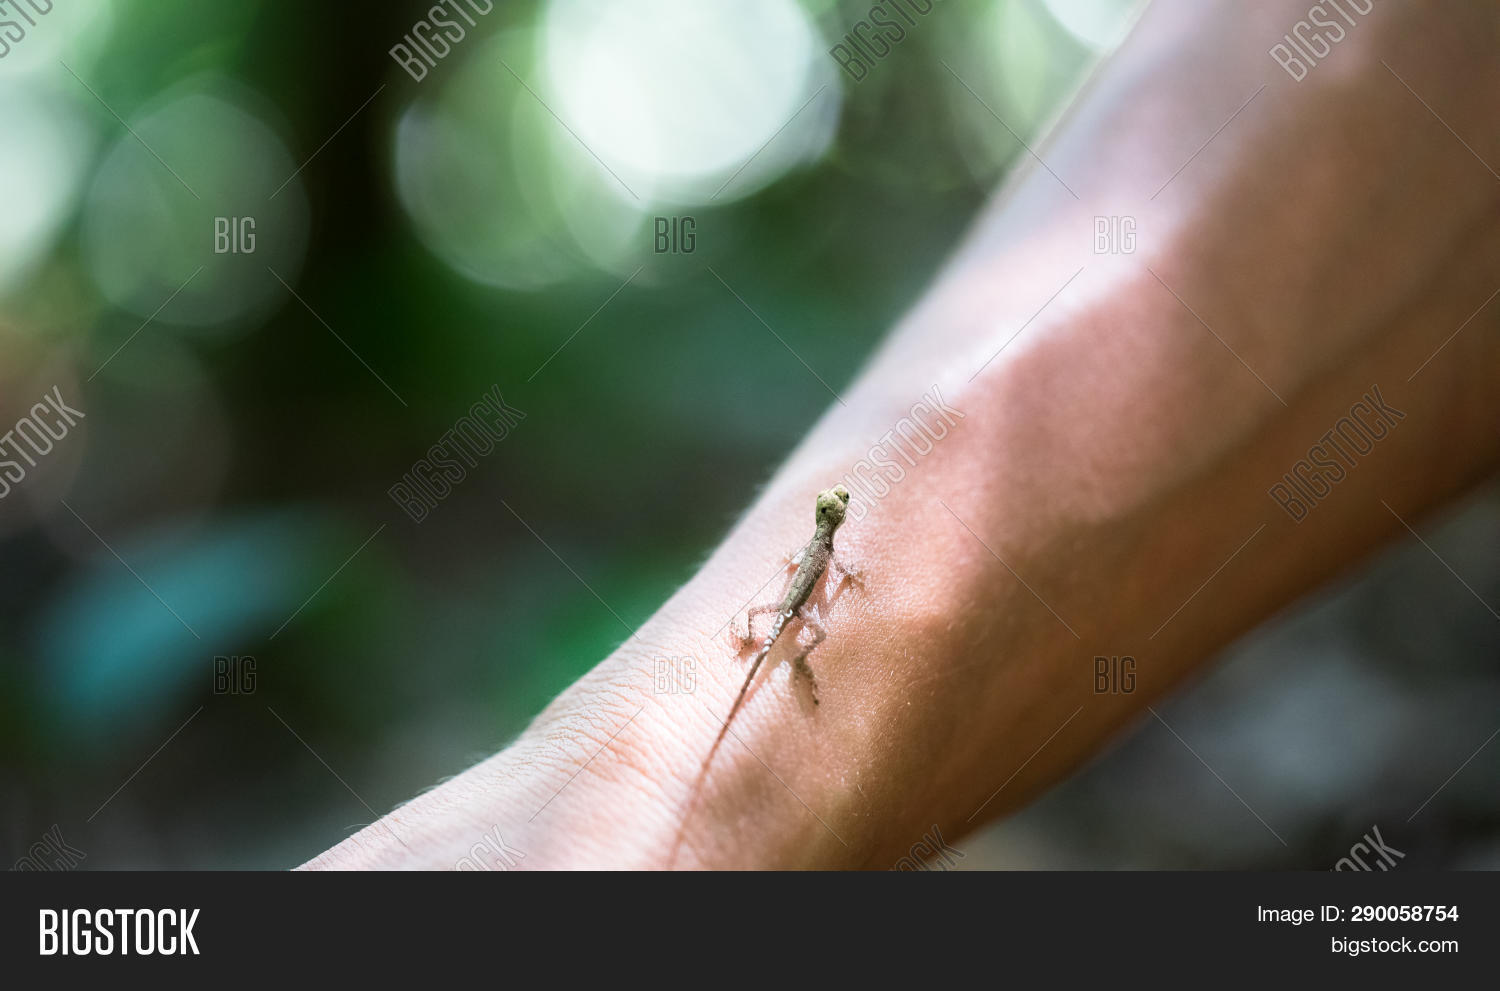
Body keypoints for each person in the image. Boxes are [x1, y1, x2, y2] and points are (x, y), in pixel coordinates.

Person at [306, 0, 1500, 868]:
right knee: (790, 643)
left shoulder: (824, 557)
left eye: (831, 515)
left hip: (782, 642)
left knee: (789, 641)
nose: (833, 516)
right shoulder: (816, 570)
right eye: (831, 512)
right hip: (779, 640)